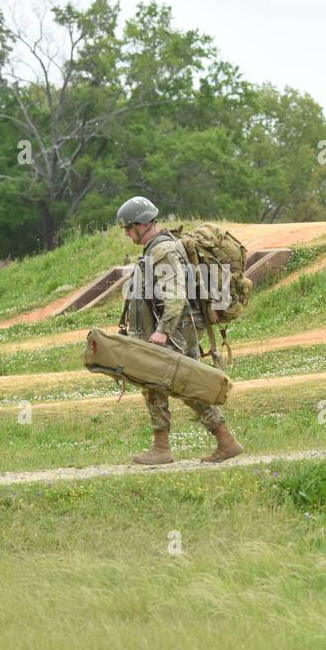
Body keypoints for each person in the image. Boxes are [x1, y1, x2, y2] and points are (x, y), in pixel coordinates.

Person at [116, 196, 243, 465]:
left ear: (142, 224)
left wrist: (162, 331)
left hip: (177, 329)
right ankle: (212, 442)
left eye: (129, 227)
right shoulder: (157, 248)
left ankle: (189, 445)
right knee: (166, 385)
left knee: (177, 384)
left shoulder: (161, 251)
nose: (127, 233)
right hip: (179, 327)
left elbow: (174, 295)